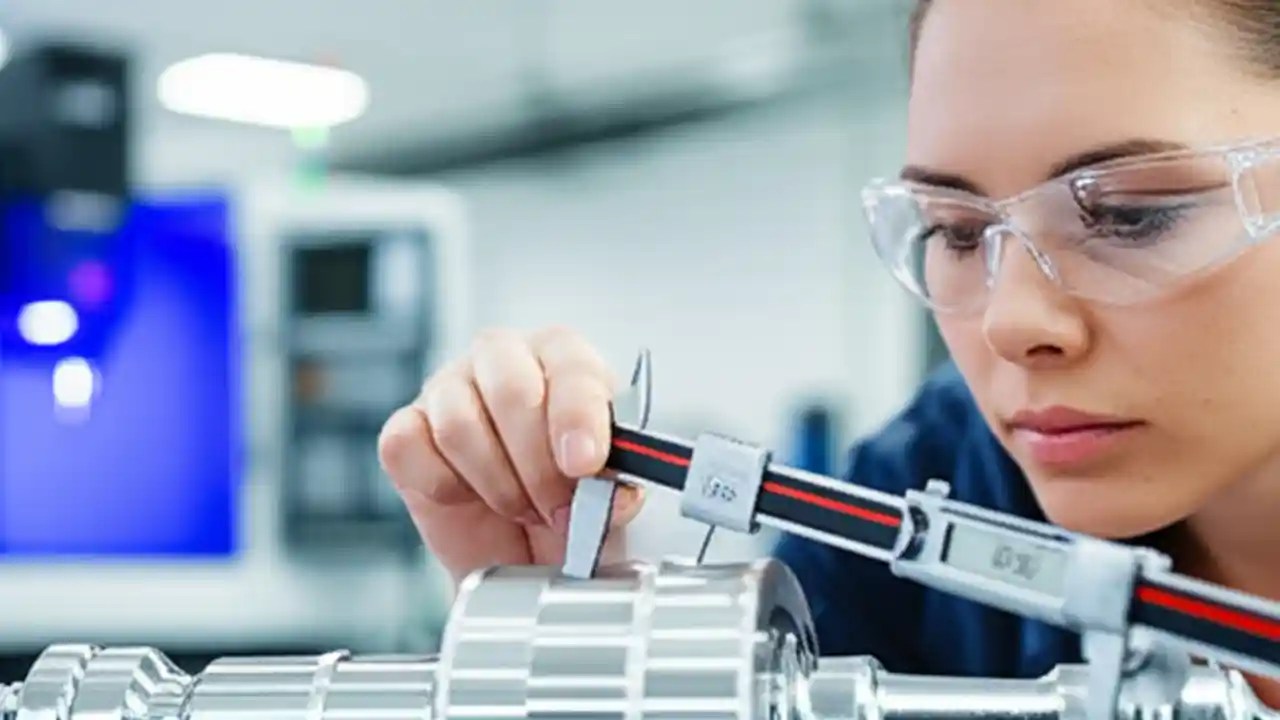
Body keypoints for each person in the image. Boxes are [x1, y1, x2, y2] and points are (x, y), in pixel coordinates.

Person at [377, 0, 1280, 707]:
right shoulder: (914, 504)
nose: (1010, 321)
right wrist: (568, 656)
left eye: (1131, 213)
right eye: (957, 232)